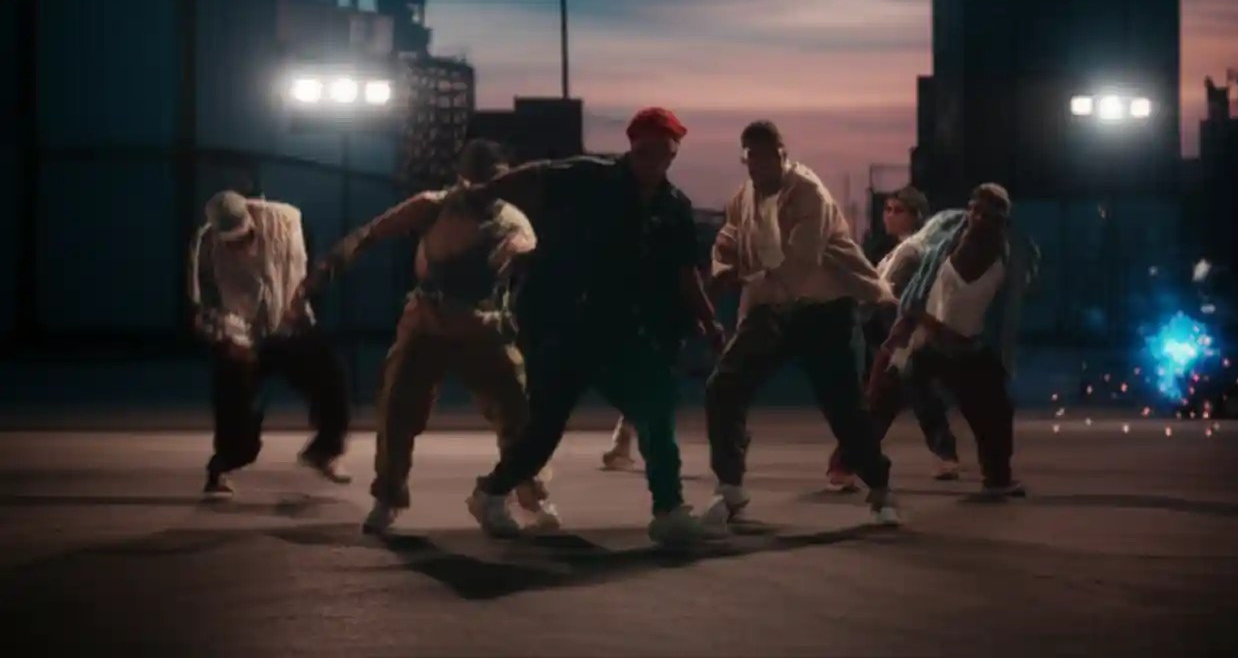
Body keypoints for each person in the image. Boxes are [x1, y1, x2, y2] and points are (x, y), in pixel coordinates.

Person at [461, 107, 725, 547]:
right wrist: (483, 194)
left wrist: (708, 320)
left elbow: (685, 273)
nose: (654, 160)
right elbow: (535, 176)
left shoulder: (674, 206)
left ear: (673, 153)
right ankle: (490, 493)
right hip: (566, 324)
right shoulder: (590, 177)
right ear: (633, 146)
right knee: (545, 425)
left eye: (664, 152)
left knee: (656, 408)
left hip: (624, 329)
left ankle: (669, 510)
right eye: (646, 150)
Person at [289, 139, 558, 534]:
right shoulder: (433, 205)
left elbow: (523, 259)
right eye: (477, 181)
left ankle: (525, 491)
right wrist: (324, 273)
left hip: (481, 326)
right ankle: (388, 495)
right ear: (462, 179)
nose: (484, 190)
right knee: (398, 407)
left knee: (517, 411)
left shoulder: (513, 222)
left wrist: (522, 262)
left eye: (493, 181)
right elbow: (370, 234)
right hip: (427, 322)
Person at [701, 120, 902, 530]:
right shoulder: (744, 197)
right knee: (725, 385)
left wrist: (741, 275)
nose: (758, 165)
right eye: (750, 157)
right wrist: (723, 265)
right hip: (771, 307)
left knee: (843, 407)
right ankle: (729, 486)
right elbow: (728, 238)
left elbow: (798, 264)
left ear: (782, 154)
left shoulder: (810, 194)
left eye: (765, 155)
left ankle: (881, 489)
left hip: (823, 309)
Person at [861, 183, 1039, 499]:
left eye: (990, 215)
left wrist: (993, 356)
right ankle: (847, 465)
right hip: (919, 336)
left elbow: (1006, 314)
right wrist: (902, 313)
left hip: (966, 346)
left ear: (1002, 222)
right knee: (879, 403)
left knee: (995, 410)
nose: (980, 219)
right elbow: (914, 277)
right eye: (976, 211)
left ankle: (997, 478)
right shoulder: (943, 242)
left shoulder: (1007, 259)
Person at [188, 190, 351, 498]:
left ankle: (325, 450)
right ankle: (224, 464)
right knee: (232, 400)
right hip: (240, 331)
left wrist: (299, 303)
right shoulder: (206, 244)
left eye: (244, 237)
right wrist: (230, 340)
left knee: (330, 376)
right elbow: (205, 303)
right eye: (231, 241)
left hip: (287, 323)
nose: (239, 245)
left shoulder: (284, 219)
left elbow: (300, 266)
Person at [826, 186, 960, 491]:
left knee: (880, 400)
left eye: (898, 211)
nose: (889, 216)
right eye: (887, 210)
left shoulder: (916, 251)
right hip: (896, 335)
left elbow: (892, 292)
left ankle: (844, 464)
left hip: (905, 335)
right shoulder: (896, 250)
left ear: (917, 215)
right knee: (913, 394)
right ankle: (945, 453)